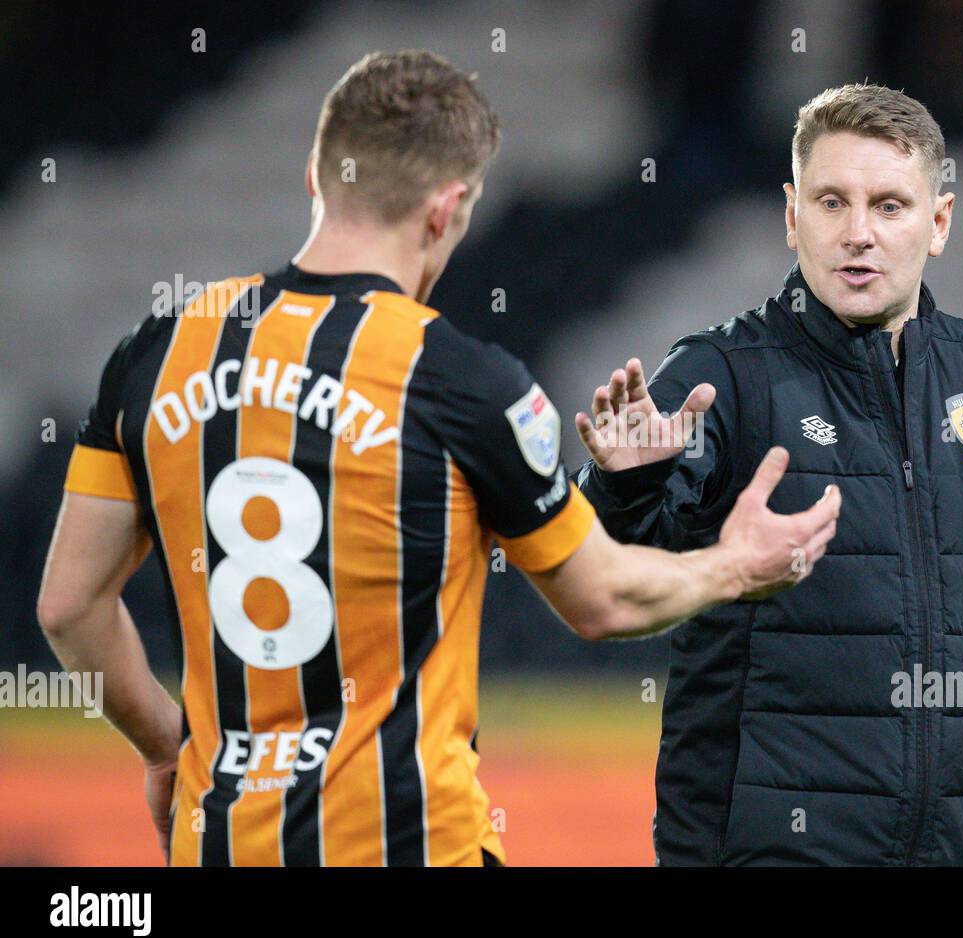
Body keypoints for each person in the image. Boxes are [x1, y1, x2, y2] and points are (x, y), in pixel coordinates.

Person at [35, 50, 841, 867]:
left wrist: (165, 748)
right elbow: (603, 601)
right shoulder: (459, 379)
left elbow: (68, 607)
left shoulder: (161, 351)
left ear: (317, 179)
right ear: (446, 209)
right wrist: (733, 565)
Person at [576, 82, 963, 866]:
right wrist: (625, 482)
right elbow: (612, 562)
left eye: (890, 206)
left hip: (952, 848)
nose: (858, 233)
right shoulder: (722, 373)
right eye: (831, 202)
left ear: (938, 223)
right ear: (791, 215)